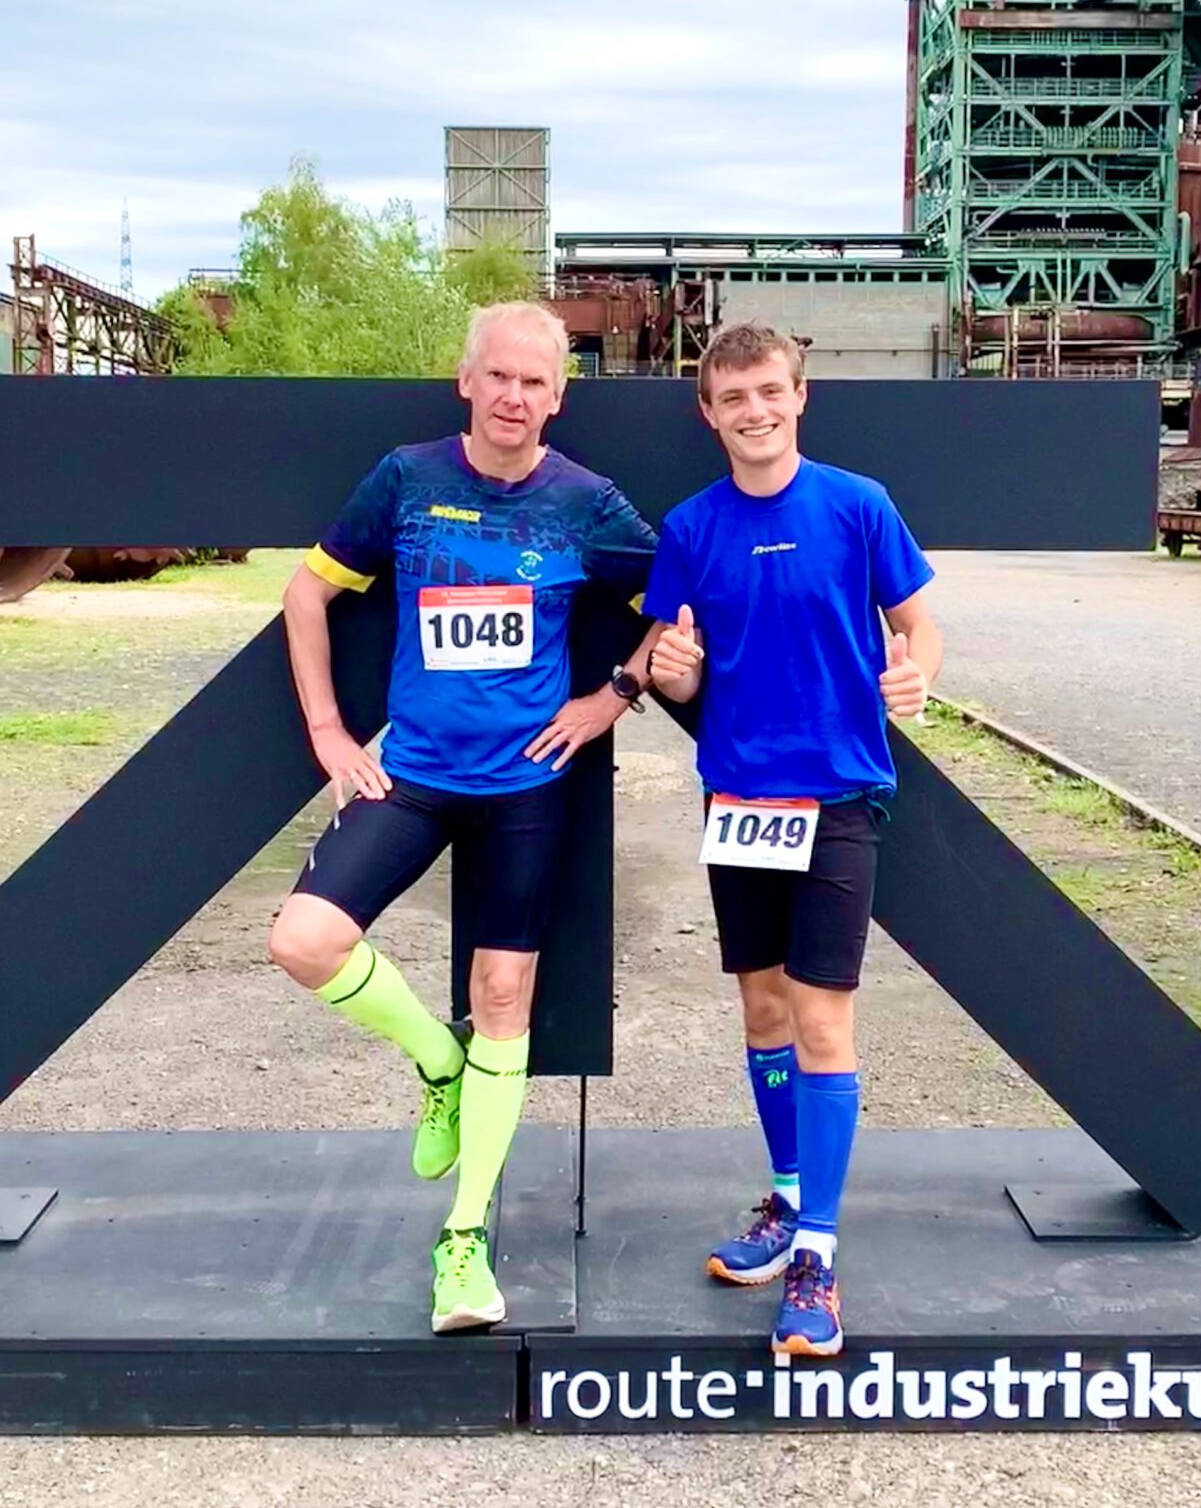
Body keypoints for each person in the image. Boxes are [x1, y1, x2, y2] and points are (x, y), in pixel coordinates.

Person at [267, 300, 658, 1333]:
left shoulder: (586, 501)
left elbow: (677, 593)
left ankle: (464, 1239)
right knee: (301, 939)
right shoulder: (406, 478)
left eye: (535, 382)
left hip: (526, 783)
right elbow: (307, 594)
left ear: (557, 396)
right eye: (499, 376)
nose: (514, 396)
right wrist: (327, 731)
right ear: (465, 380)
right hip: (414, 773)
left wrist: (609, 694)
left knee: (502, 991)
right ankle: (437, 1064)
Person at [644, 322, 942, 1358]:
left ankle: (817, 1249)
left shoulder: (858, 505)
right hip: (739, 803)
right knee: (762, 1007)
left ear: (798, 396)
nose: (753, 410)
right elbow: (674, 668)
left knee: (822, 1021)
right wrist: (672, 664)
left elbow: (917, 622)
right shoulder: (688, 526)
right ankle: (782, 1197)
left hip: (838, 800)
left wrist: (917, 671)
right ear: (709, 412)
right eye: (733, 397)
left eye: (769, 391)